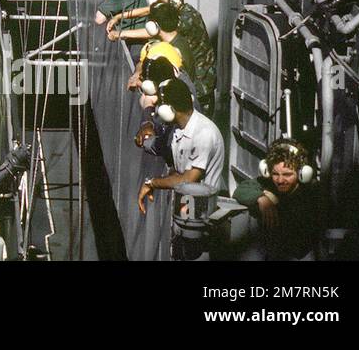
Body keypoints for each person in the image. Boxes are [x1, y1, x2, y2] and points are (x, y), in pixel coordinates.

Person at [137, 77, 224, 214]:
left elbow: (187, 180)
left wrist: (152, 183)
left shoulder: (204, 134)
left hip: (202, 215)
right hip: (184, 210)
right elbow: (162, 150)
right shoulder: (177, 128)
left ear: (168, 110)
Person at [232, 139, 320, 261]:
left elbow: (298, 239)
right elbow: (241, 190)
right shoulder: (266, 183)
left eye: (287, 174)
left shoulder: (312, 194)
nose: (280, 180)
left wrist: (276, 202)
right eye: (275, 174)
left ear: (302, 173)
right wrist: (262, 199)